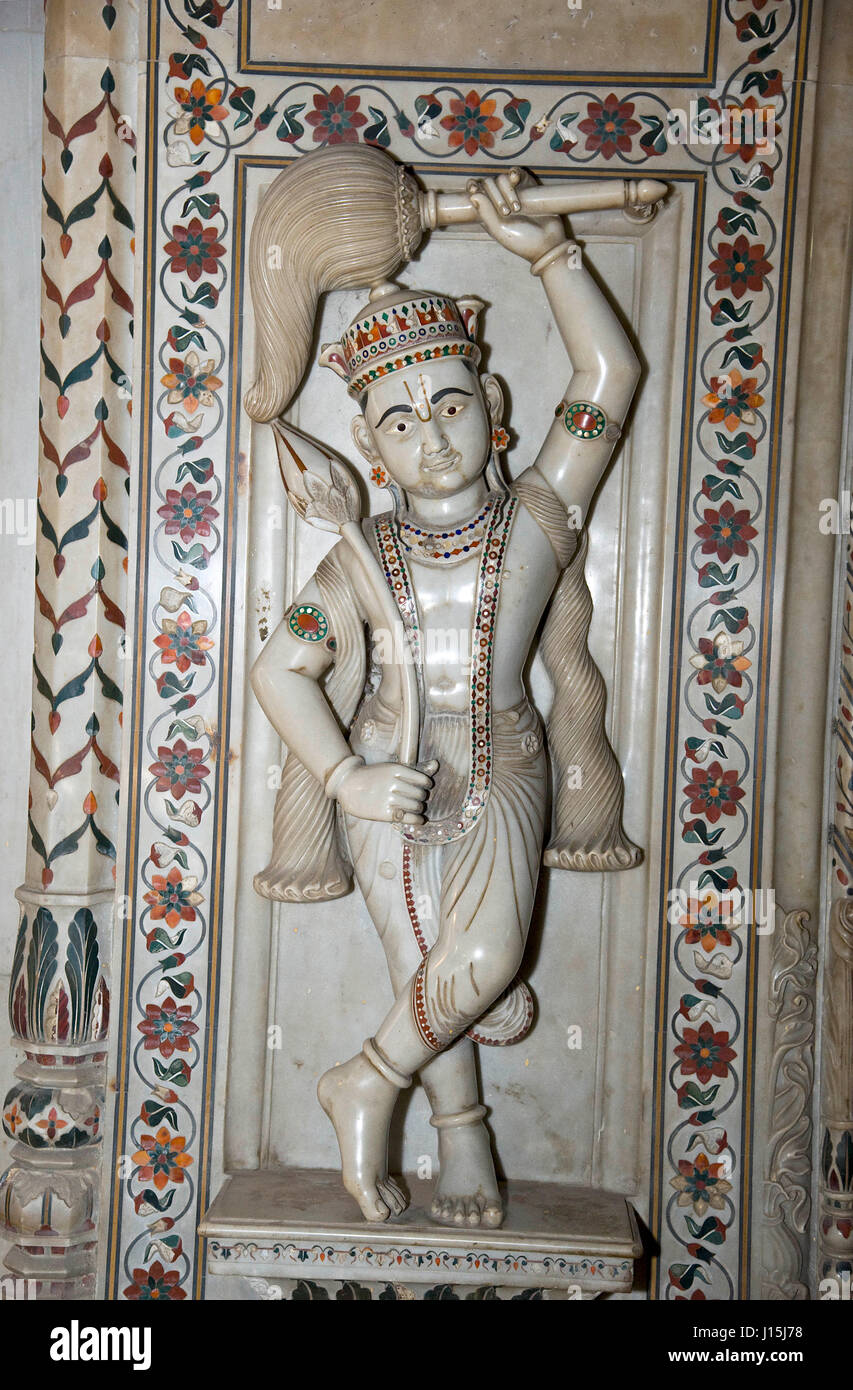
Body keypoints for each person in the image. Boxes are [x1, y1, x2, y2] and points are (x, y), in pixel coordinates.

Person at [251, 169, 641, 1227]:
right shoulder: (359, 558)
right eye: (398, 419)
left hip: (505, 761)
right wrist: (345, 774)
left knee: (483, 957)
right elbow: (278, 668)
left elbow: (609, 376)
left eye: (452, 404)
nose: (430, 434)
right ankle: (463, 1139)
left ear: (496, 415)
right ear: (370, 447)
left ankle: (365, 1079)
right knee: (427, 965)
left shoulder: (537, 523)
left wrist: (548, 252)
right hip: (388, 771)